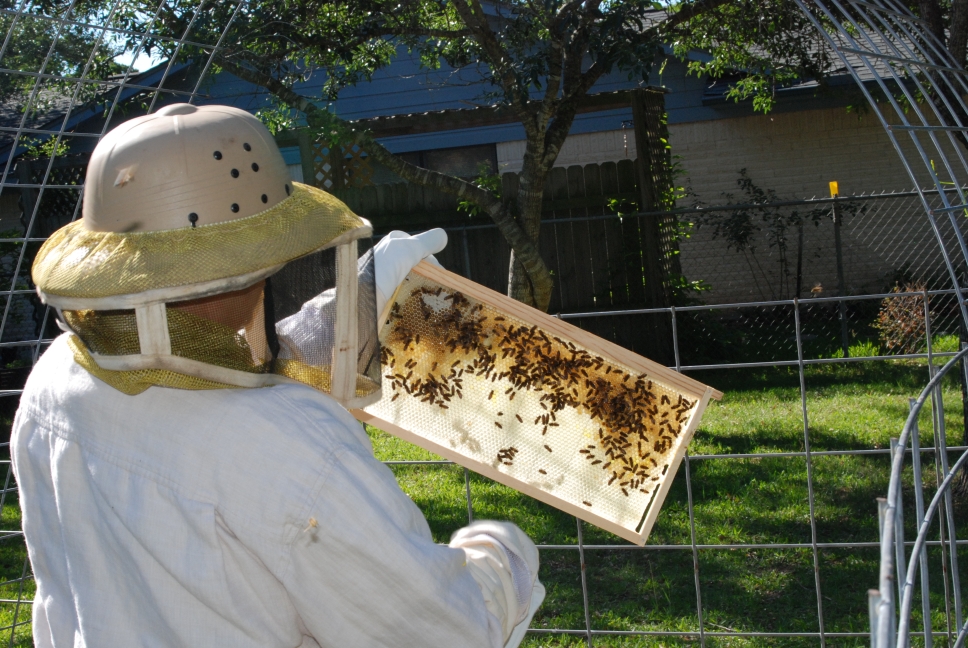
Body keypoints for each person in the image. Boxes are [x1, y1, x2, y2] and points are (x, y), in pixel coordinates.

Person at [12, 104, 543, 647]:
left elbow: (197, 363)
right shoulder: (292, 446)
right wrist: (500, 554)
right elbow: (443, 632)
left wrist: (336, 316)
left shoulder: (53, 380)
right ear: (258, 257)